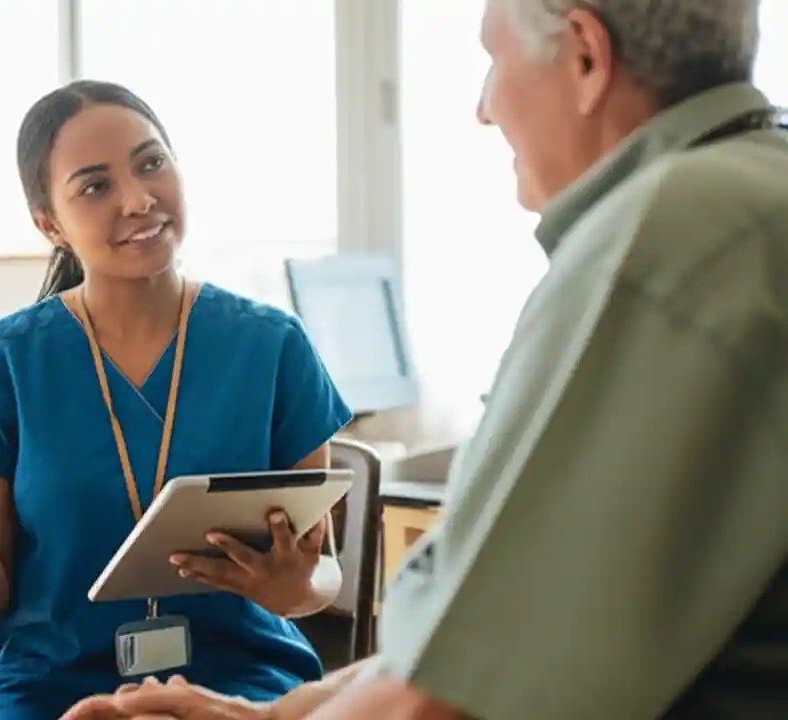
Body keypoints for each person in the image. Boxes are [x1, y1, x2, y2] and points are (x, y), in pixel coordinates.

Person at [63, 0, 788, 718]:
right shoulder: (742, 196)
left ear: (585, 56)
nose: (483, 107)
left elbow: (450, 693)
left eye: (492, 60)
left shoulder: (664, 239)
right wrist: (272, 716)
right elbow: (474, 632)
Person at [0, 80, 355, 719]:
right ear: (50, 222)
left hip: (239, 676)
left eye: (151, 163)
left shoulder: (273, 347)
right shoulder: (1, 363)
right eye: (96, 186)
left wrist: (294, 586)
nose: (139, 198)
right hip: (42, 685)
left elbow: (320, 576)